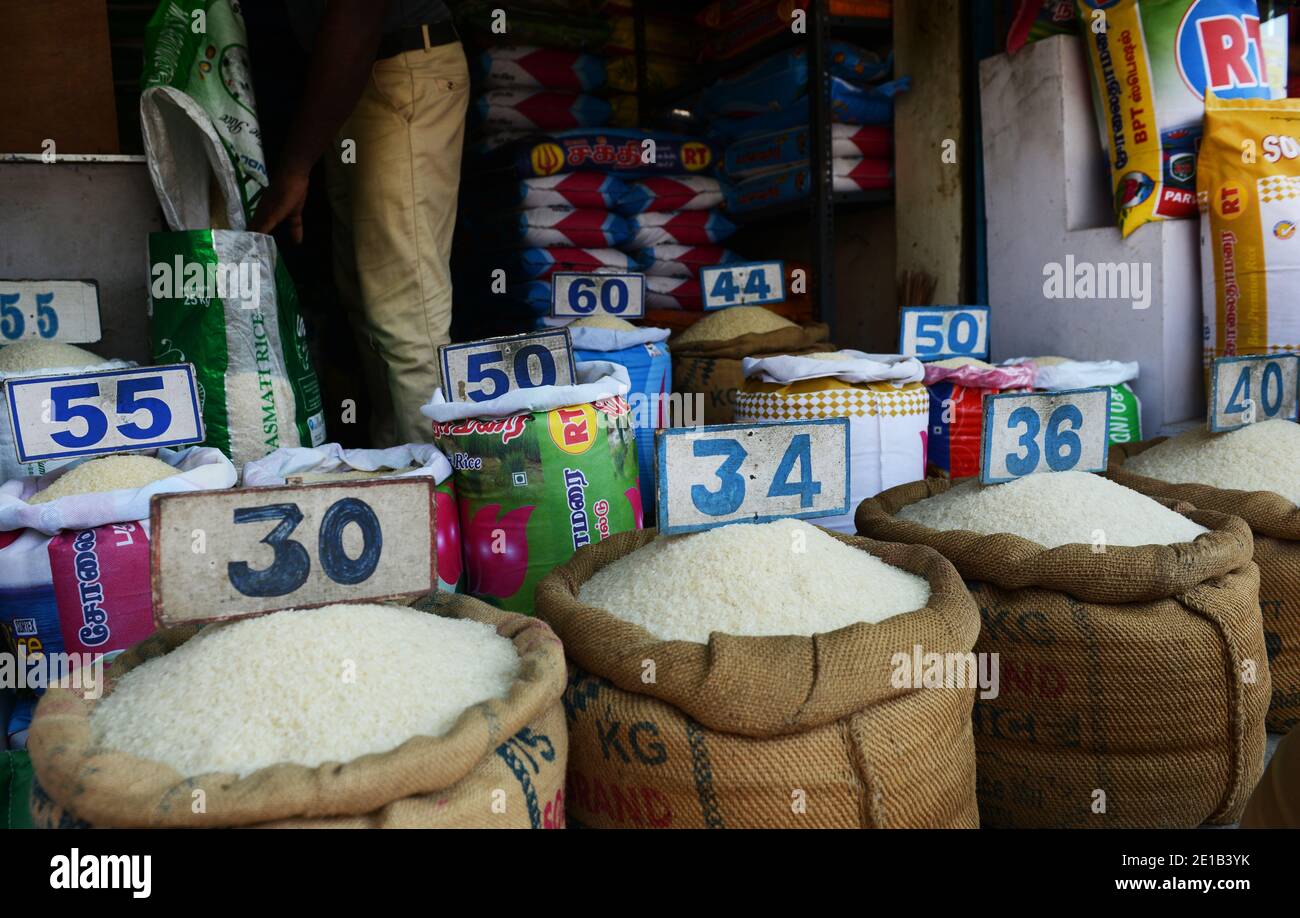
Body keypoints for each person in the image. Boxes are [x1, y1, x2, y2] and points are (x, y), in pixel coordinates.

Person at [252, 0, 468, 446]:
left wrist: (296, 166)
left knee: (406, 310)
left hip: (398, 72)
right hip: (356, 82)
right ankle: (401, 474)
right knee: (370, 306)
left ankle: (437, 490)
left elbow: (357, 12)